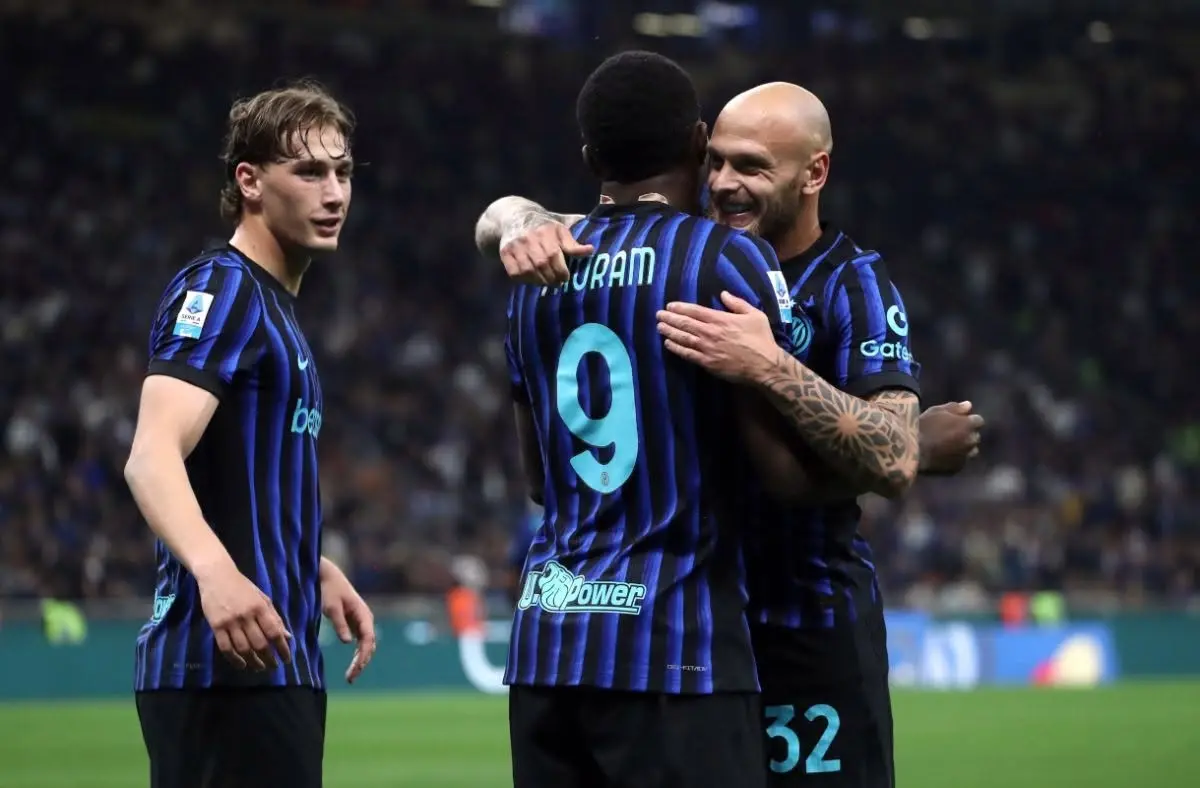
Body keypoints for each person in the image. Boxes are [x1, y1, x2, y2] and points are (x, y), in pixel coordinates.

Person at [476, 81, 983, 788]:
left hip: (803, 627)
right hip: (700, 629)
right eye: (714, 161)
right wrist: (518, 218)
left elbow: (890, 457)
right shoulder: (692, 249)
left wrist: (771, 365)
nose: (722, 183)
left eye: (751, 167)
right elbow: (521, 218)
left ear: (814, 173)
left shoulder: (853, 285)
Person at [502, 50, 802, 788]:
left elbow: (539, 479)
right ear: (700, 143)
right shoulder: (725, 259)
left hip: (547, 648)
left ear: (588, 157)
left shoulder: (533, 277)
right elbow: (783, 462)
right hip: (676, 649)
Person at [124, 80, 377, 788]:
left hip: (269, 660)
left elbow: (237, 476)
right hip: (219, 668)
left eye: (343, 172)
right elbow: (151, 456)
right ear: (250, 182)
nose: (334, 193)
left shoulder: (274, 307)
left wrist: (305, 566)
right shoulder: (223, 288)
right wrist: (217, 572)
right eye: (310, 172)